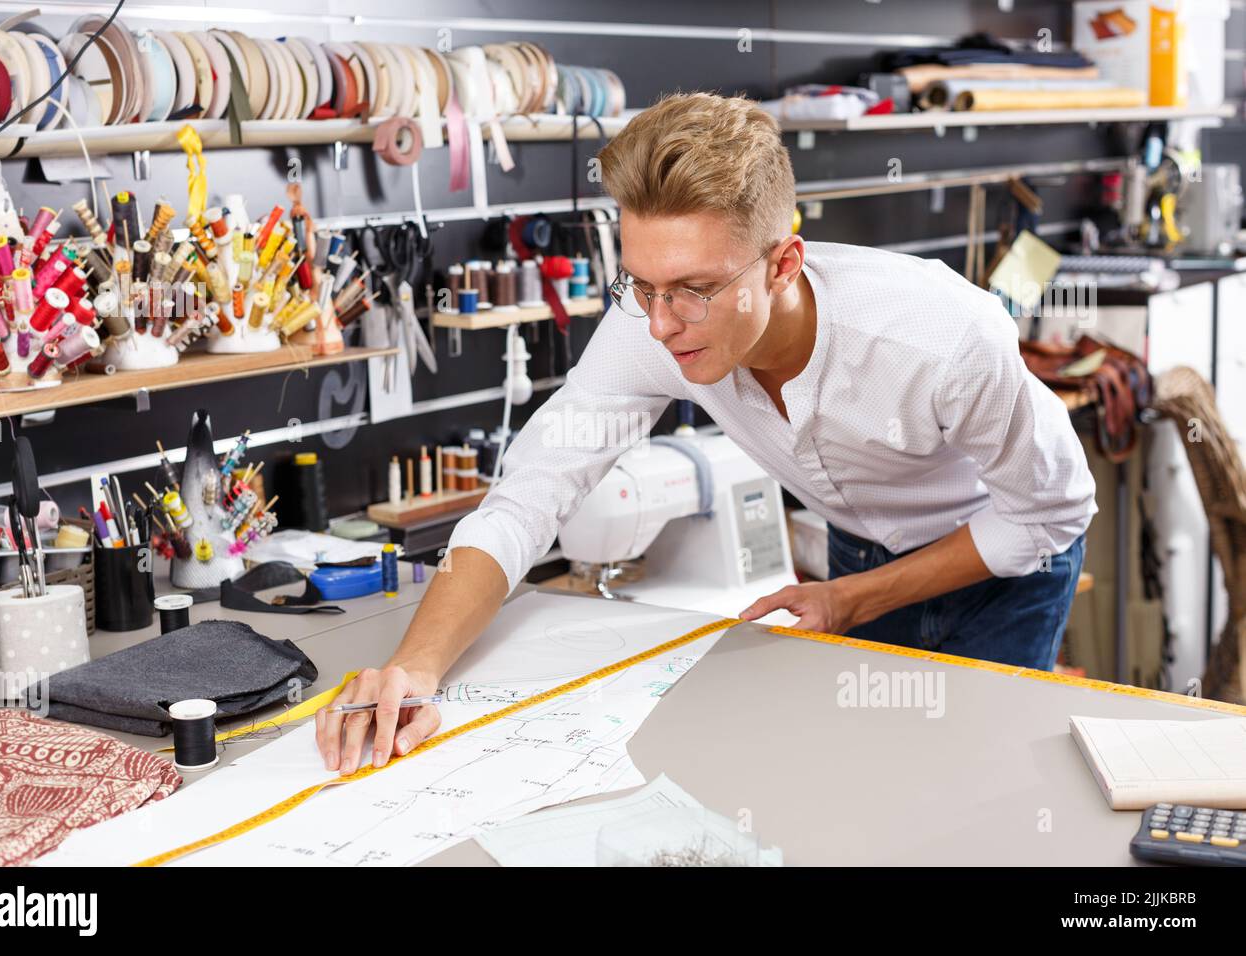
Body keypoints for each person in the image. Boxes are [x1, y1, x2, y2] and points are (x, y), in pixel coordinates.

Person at [316, 92, 1096, 776]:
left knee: (980, 787)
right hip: (860, 551)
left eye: (694, 291)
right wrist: (414, 668)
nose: (659, 324)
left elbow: (1050, 514)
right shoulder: (650, 323)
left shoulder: (940, 337)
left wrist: (854, 598)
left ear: (784, 262)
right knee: (873, 781)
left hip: (1009, 566)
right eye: (642, 284)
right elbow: (530, 494)